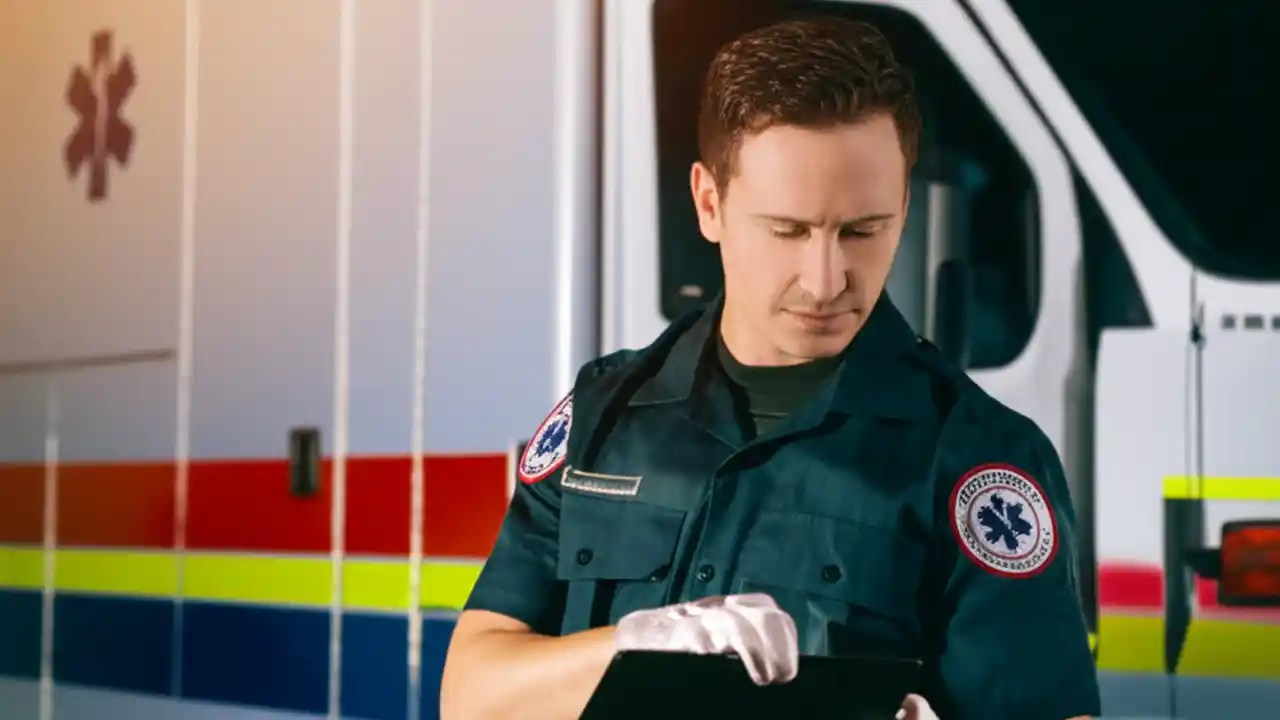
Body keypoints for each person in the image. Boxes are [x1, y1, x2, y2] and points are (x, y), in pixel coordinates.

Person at [440, 15, 1100, 720]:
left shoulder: (981, 458)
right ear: (709, 204)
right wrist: (632, 645)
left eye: (861, 231)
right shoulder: (605, 414)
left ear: (904, 207)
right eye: (787, 231)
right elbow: (470, 696)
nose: (824, 280)